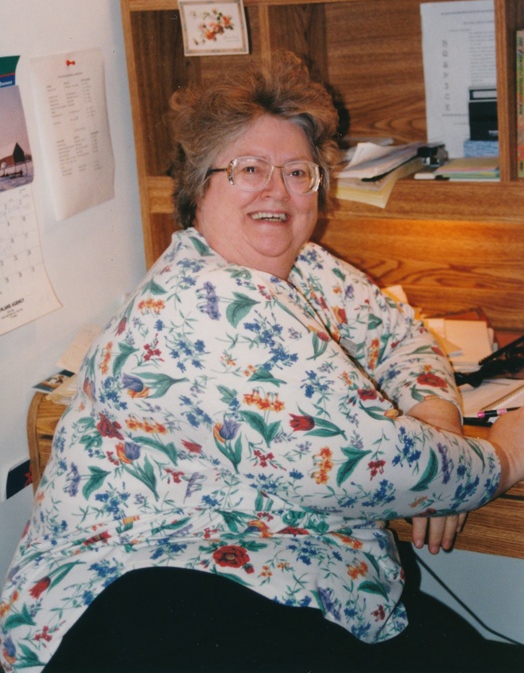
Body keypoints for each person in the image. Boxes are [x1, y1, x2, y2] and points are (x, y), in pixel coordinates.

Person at [1, 51, 523, 673]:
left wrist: (437, 423)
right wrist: (500, 459)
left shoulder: (301, 264)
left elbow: (399, 338)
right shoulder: (207, 304)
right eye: (250, 168)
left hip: (274, 578)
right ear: (200, 185)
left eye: (298, 172)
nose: (277, 190)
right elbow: (364, 464)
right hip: (149, 608)